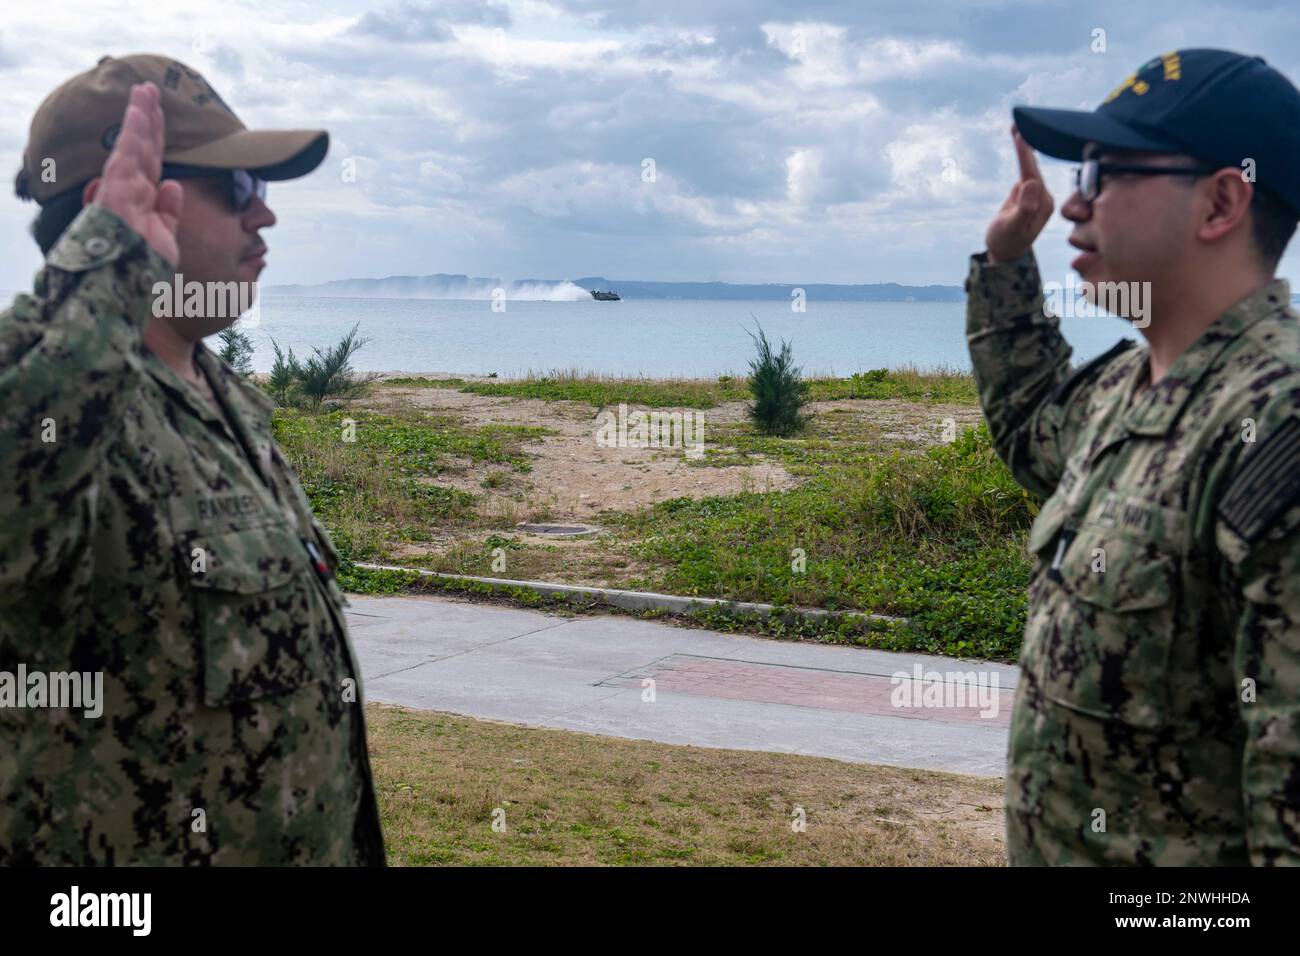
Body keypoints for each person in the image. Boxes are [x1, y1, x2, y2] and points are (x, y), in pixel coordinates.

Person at [0, 55, 384, 865]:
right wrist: (107, 271)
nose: (266, 217)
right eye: (238, 187)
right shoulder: (65, 417)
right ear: (122, 203)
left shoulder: (225, 399)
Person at [967, 48, 1300, 865]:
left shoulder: (1276, 421)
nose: (1075, 204)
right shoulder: (1133, 382)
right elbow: (1029, 427)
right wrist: (1009, 263)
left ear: (1221, 201)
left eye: (1107, 172)